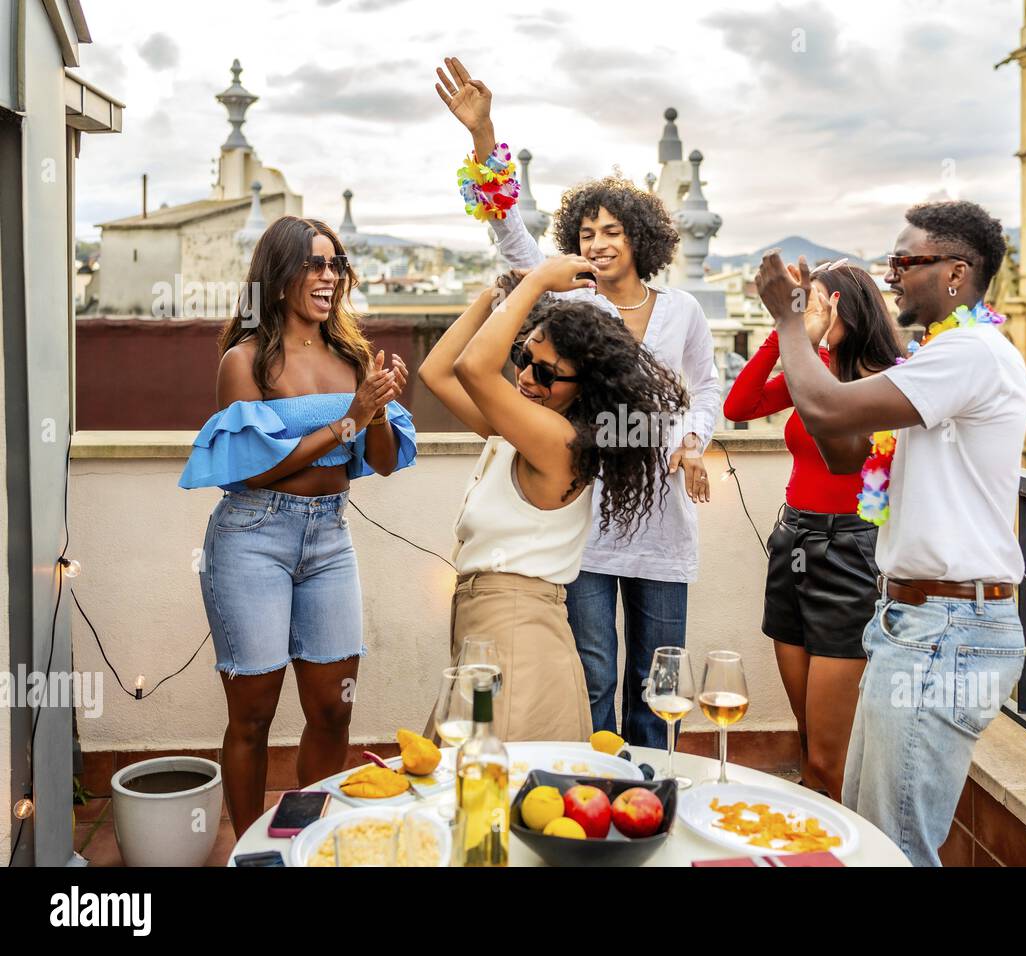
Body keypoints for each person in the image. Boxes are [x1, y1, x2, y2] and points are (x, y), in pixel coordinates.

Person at [436, 57, 721, 747]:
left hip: (660, 521)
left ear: (641, 241)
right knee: (591, 675)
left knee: (659, 683)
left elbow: (707, 388)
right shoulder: (568, 303)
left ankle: (652, 806)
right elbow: (510, 239)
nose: (596, 243)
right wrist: (484, 136)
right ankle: (591, 800)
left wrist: (694, 441)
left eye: (611, 232)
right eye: (587, 233)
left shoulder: (682, 309)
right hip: (590, 520)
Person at [755, 200, 1026, 866]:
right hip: (915, 621)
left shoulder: (971, 354)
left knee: (893, 850)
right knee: (870, 835)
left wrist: (788, 320)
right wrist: (818, 345)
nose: (894, 274)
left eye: (909, 261)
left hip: (946, 629)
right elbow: (847, 451)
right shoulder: (938, 356)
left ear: (958, 275)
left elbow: (822, 406)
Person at [179, 216, 418, 837]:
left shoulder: (353, 357)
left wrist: (378, 411)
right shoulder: (246, 361)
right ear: (278, 276)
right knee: (253, 716)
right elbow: (257, 471)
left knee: (333, 710)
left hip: (330, 539)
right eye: (313, 264)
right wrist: (350, 418)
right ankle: (252, 847)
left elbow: (385, 464)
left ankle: (302, 839)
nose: (327, 276)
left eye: (335, 263)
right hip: (252, 538)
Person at [417, 263, 688, 742]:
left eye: (548, 374)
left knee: (490, 788)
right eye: (524, 356)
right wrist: (490, 297)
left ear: (584, 389)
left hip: (518, 634)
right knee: (480, 787)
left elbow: (471, 368)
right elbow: (436, 372)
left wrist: (537, 282)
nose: (526, 376)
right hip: (495, 628)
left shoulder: (558, 444)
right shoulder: (523, 429)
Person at [723, 262, 903, 801]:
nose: (804, 311)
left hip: (851, 551)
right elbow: (740, 407)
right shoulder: (813, 367)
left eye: (814, 301)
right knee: (808, 742)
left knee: (829, 755)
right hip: (794, 542)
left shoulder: (888, 378)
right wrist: (787, 336)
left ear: (843, 307)